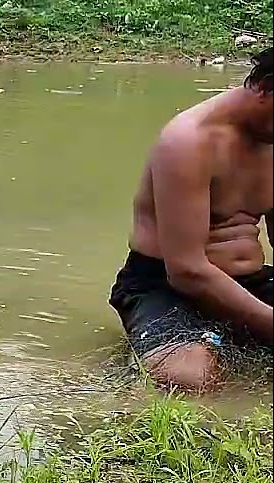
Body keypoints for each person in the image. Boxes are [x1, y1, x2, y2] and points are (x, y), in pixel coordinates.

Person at [109, 46, 273, 392]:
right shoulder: (189, 140)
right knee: (192, 381)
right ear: (264, 87)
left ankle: (230, 336)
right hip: (165, 286)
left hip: (250, 282)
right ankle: (165, 346)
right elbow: (185, 271)